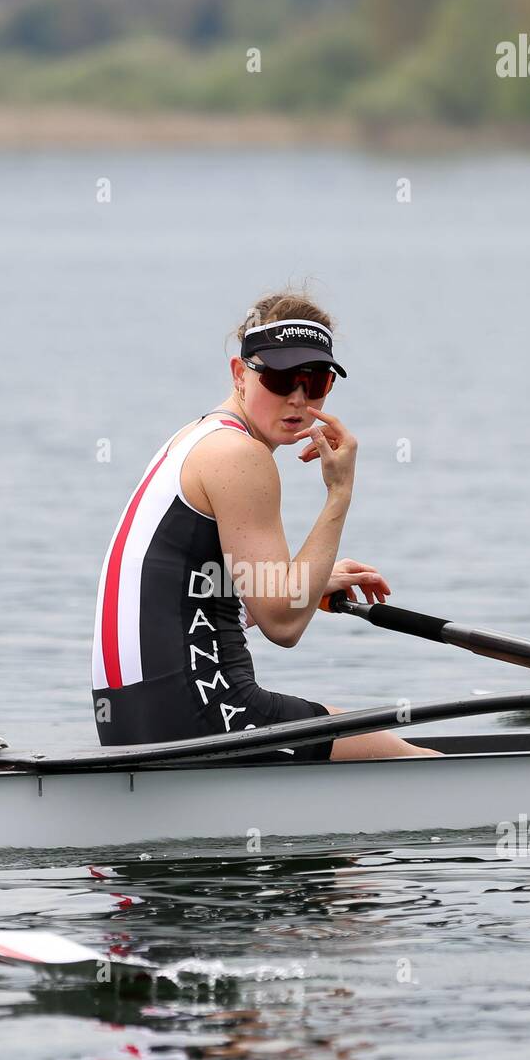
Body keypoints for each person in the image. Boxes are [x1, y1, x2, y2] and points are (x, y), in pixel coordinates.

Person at [92, 290, 437, 760]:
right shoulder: (241, 455)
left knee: (368, 735)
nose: (297, 399)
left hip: (132, 722)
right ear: (240, 374)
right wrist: (339, 493)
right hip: (205, 716)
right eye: (278, 378)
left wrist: (305, 585)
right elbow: (284, 624)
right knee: (413, 759)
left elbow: (185, 601)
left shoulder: (193, 438)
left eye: (314, 382)